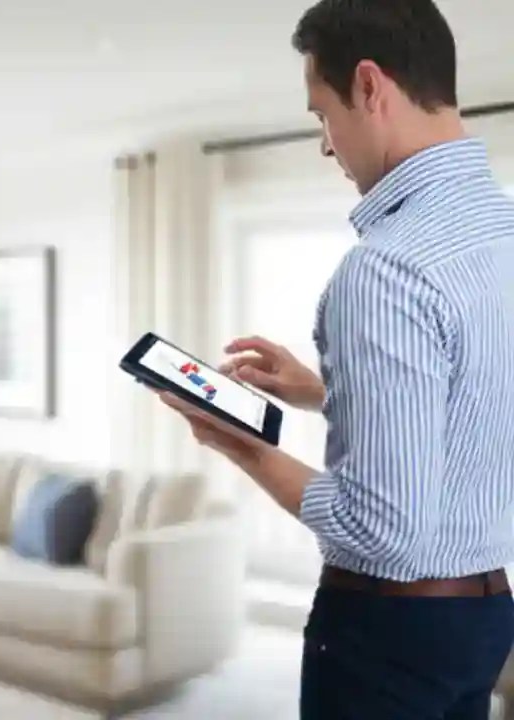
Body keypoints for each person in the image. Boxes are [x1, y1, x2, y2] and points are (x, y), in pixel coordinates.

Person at [156, 0, 514, 718]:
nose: (325, 144)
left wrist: (240, 443)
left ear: (371, 88)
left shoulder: (387, 271)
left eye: (322, 112)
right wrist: (328, 392)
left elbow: (378, 525)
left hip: (388, 631)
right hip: (484, 614)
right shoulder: (500, 228)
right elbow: (482, 392)